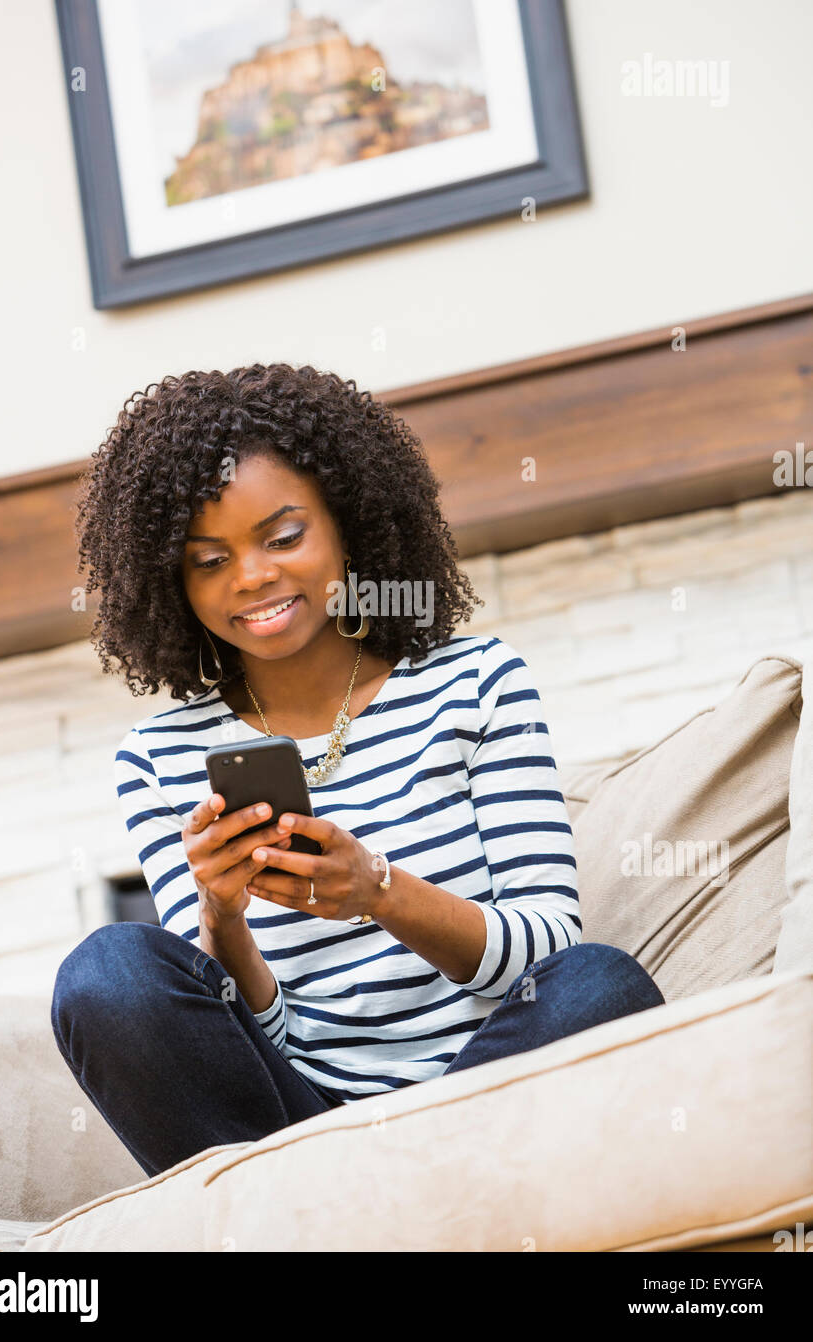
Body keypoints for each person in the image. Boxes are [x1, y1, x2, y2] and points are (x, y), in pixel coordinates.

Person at [51, 362, 664, 1178]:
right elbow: (245, 1046)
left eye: (282, 537)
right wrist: (222, 920)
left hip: (484, 1089)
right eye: (209, 559)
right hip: (298, 1133)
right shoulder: (157, 760)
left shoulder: (477, 683)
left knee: (598, 984)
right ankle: (382, 1208)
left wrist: (378, 890)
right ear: (172, 581)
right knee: (107, 973)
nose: (254, 577)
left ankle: (378, 1215)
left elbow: (546, 949)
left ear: (348, 522)